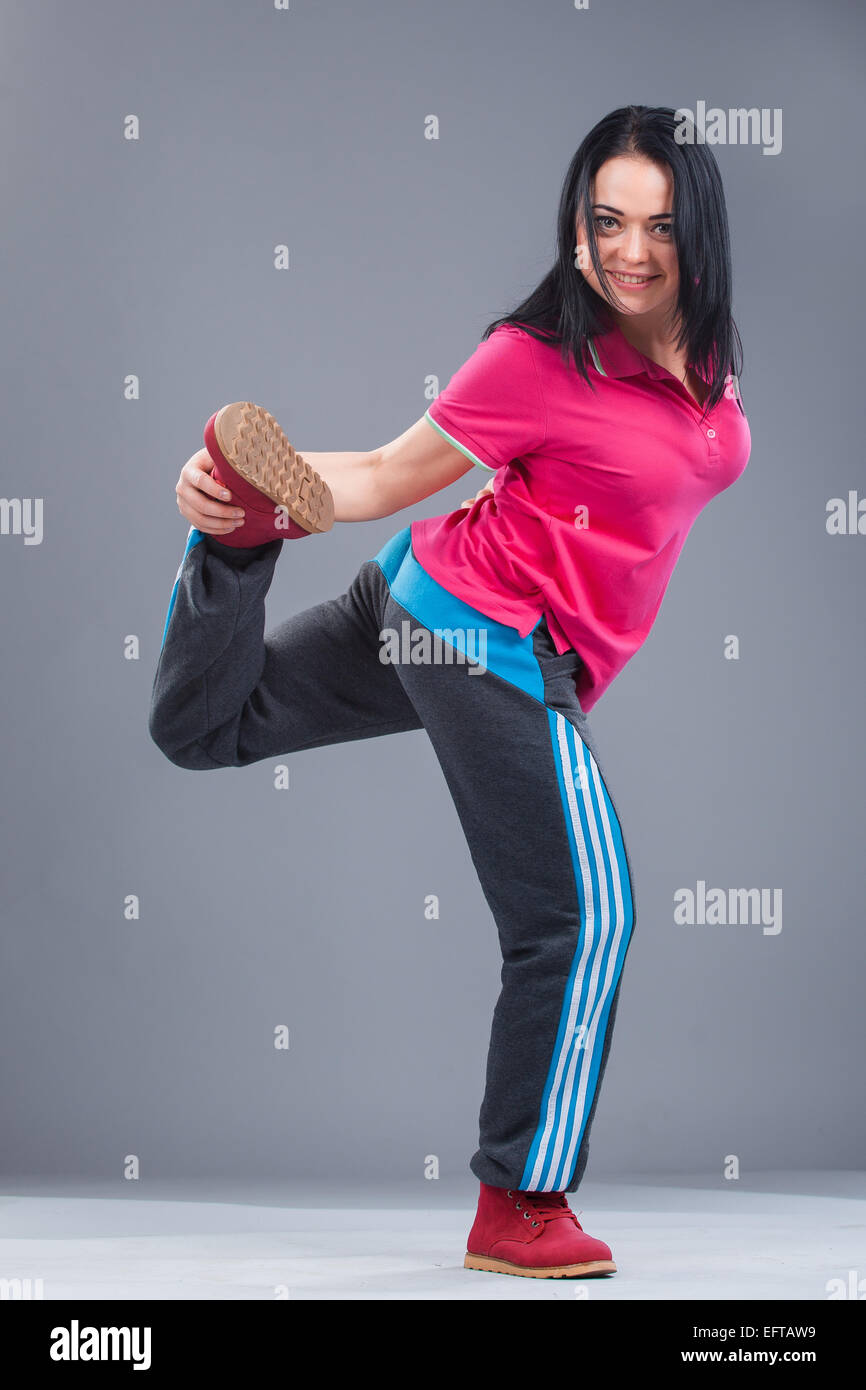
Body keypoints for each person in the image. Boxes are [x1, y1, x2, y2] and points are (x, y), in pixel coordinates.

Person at [149, 104, 750, 1280]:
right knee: (588, 913)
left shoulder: (713, 369)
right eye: (604, 221)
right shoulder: (536, 362)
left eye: (658, 225)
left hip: (425, 602)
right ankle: (518, 1207)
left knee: (202, 728)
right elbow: (378, 473)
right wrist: (233, 479)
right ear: (574, 233)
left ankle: (230, 558)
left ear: (700, 235)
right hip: (483, 634)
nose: (628, 250)